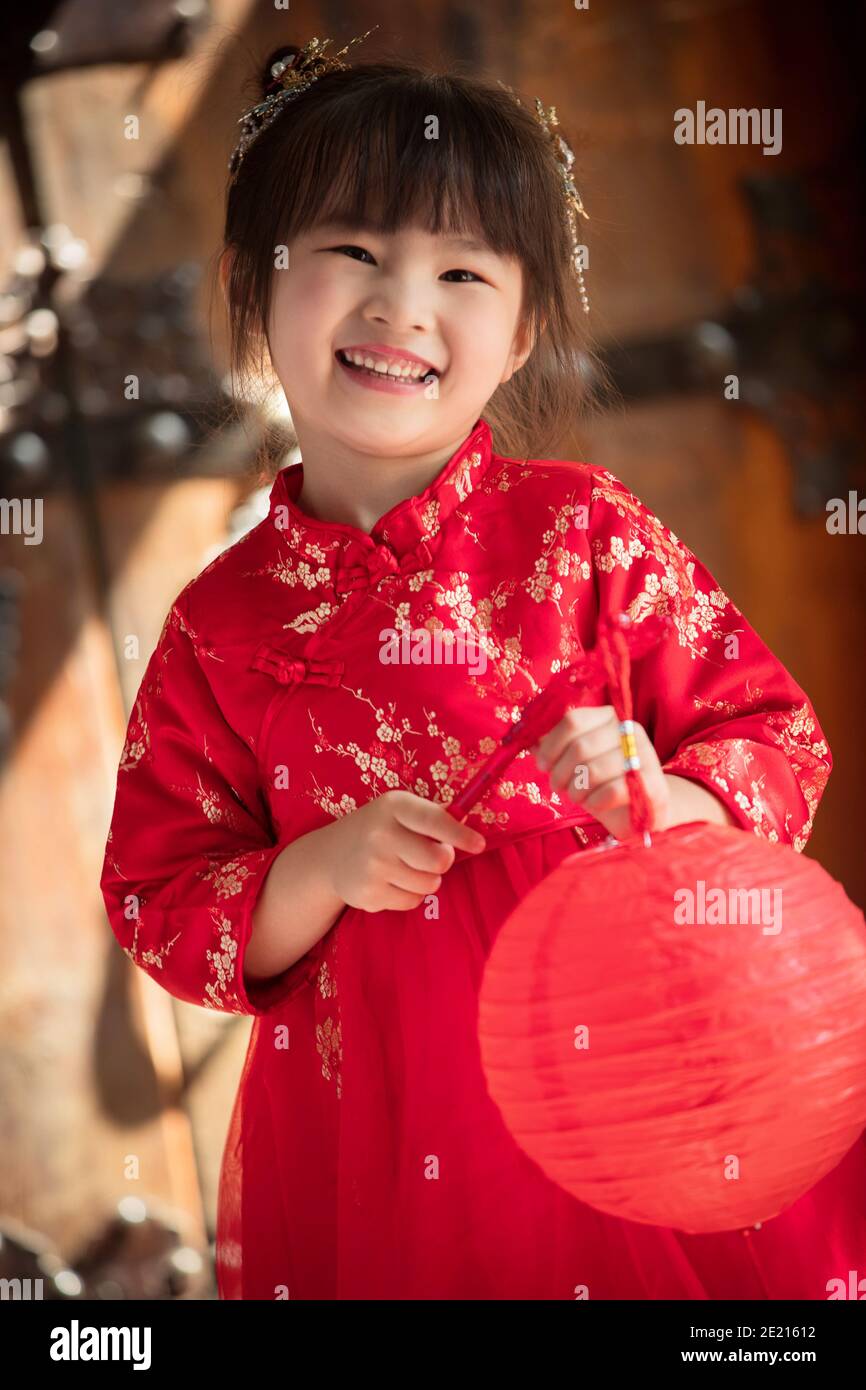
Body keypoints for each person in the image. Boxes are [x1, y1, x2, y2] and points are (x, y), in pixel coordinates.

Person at [100, 34, 866, 1300]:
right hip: (380, 1117)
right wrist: (321, 866)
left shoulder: (581, 529)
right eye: (351, 251)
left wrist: (655, 796)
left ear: (515, 340)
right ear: (247, 282)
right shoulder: (216, 626)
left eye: (461, 271)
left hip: (633, 1058)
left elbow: (768, 728)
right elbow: (162, 898)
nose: (400, 305)